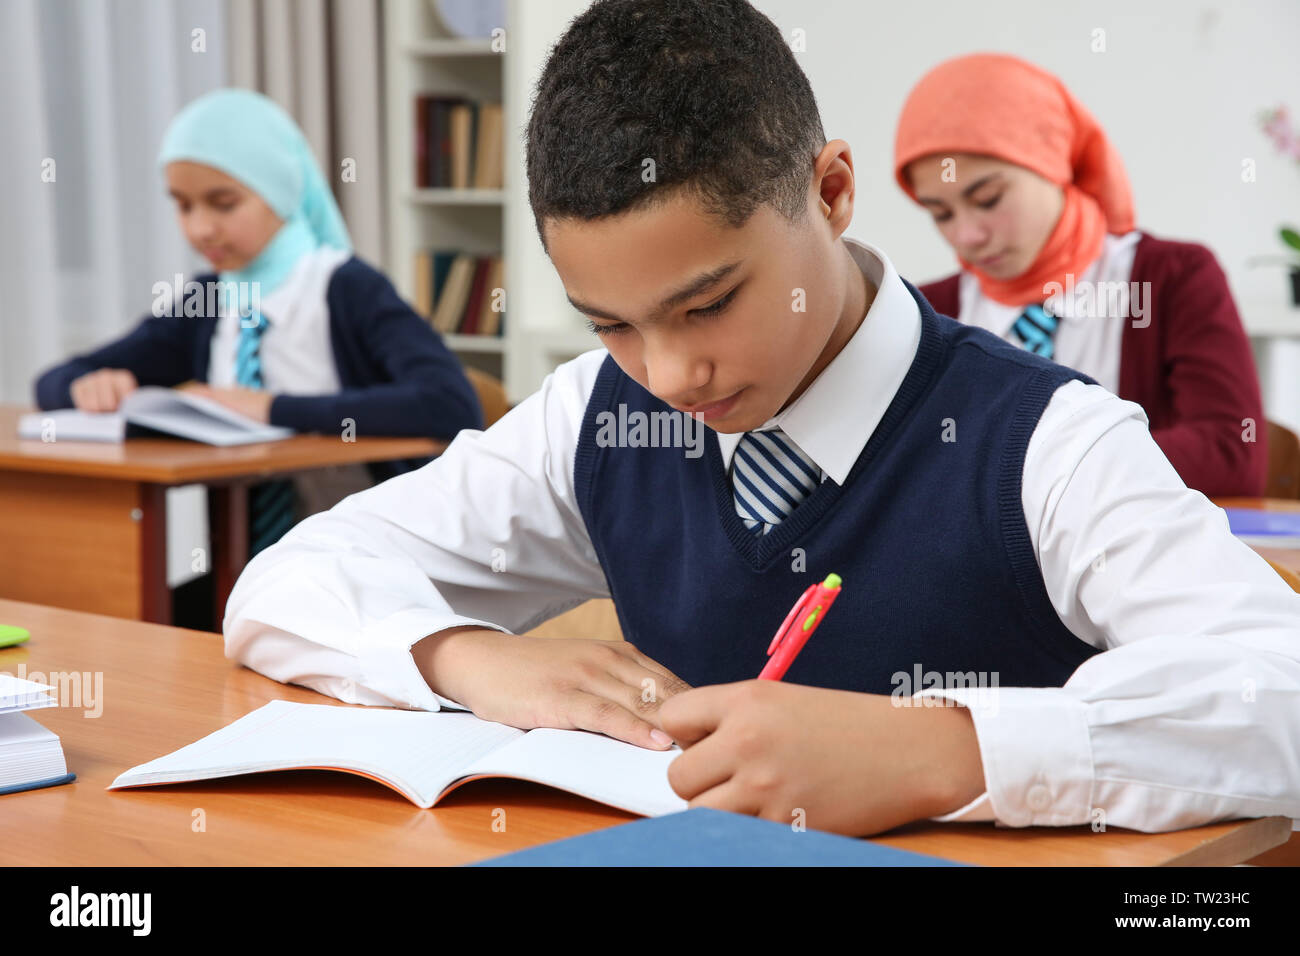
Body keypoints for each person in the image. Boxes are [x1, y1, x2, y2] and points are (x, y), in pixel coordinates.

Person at [223, 0, 1300, 837]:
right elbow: (286, 579)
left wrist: (944, 750)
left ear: (830, 192)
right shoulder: (596, 418)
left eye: (709, 303)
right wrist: (462, 654)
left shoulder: (1047, 443)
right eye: (612, 323)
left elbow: (1279, 689)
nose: (671, 373)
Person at [34, 88, 482, 555]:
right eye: (183, 205)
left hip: (371, 560)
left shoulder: (346, 288)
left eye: (223, 203)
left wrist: (269, 408)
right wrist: (92, 386)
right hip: (244, 568)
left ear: (280, 191)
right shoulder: (208, 299)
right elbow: (54, 380)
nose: (200, 228)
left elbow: (450, 403)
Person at [895, 53, 1266, 497]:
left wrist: (1026, 473)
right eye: (940, 214)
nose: (967, 236)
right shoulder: (929, 311)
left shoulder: (1172, 278)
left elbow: (1231, 454)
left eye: (989, 199)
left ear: (1054, 165)